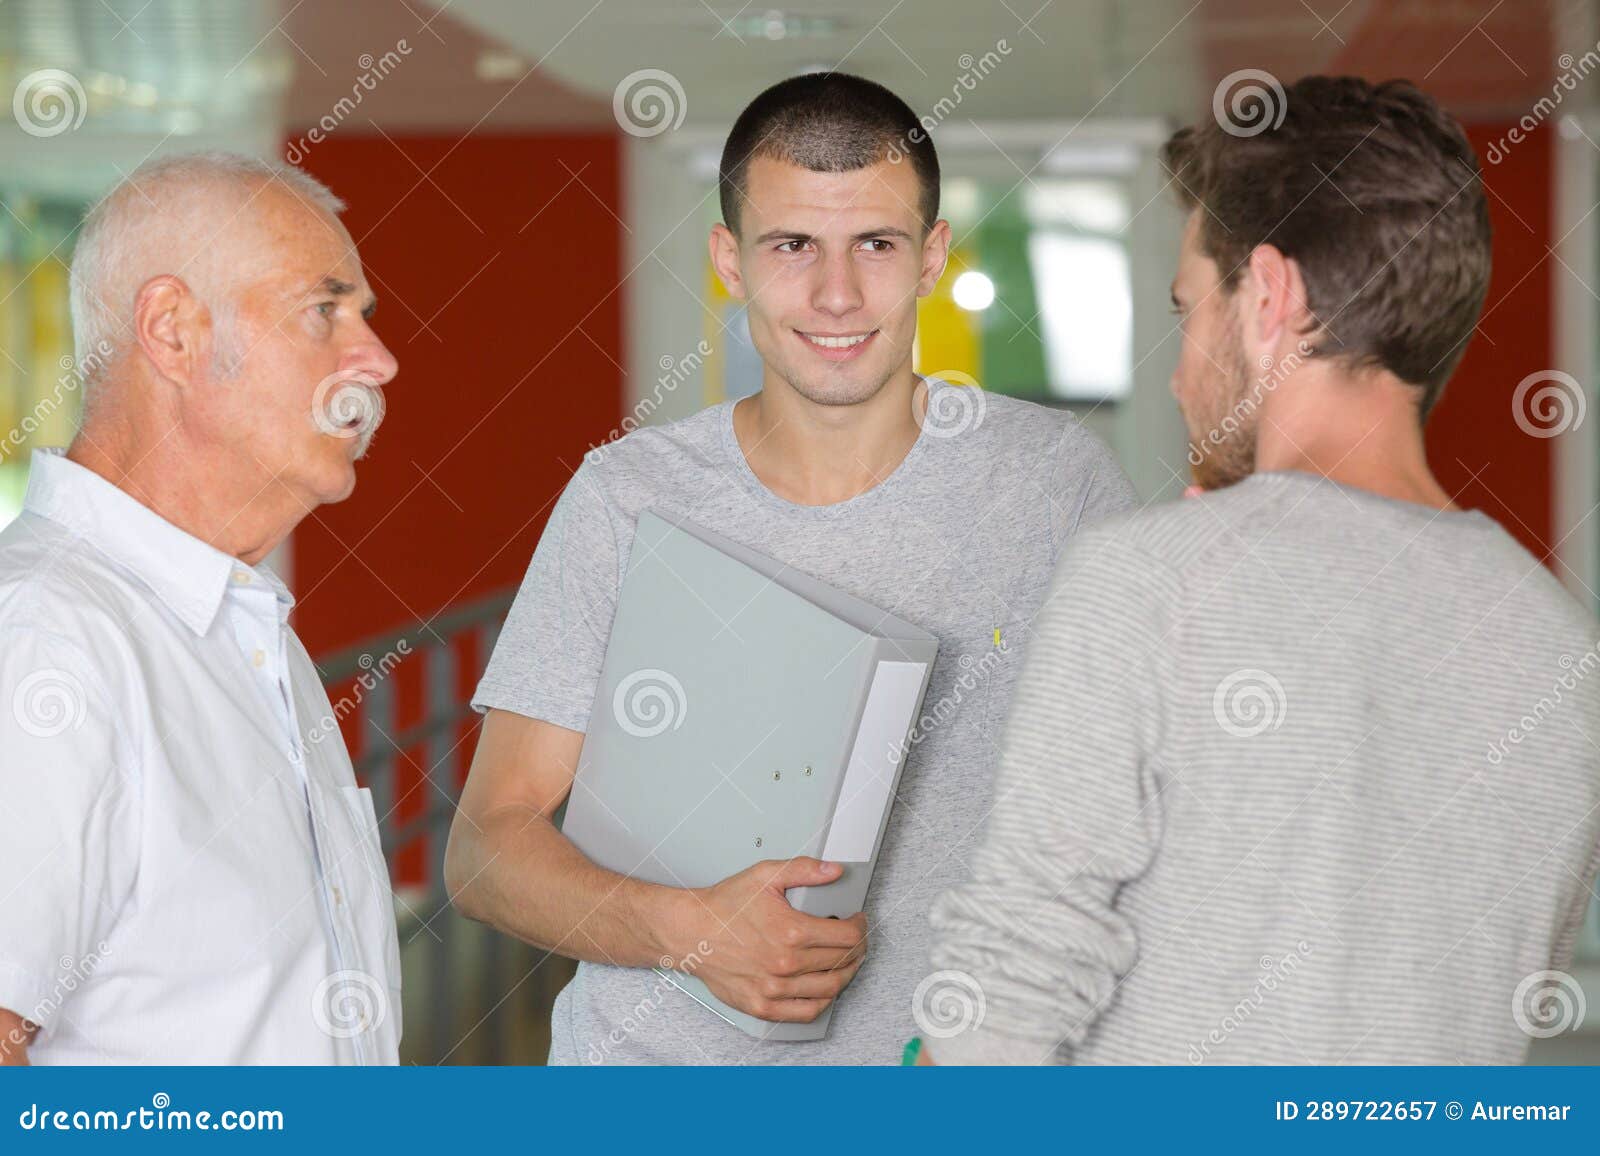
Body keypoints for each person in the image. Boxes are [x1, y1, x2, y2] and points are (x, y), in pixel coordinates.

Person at [446, 71, 1137, 1064]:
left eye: (877, 244)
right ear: (730, 261)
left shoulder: (1053, 484)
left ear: (931, 256)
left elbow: (1132, 823)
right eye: (792, 246)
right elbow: (485, 851)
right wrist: (692, 933)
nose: (836, 295)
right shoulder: (629, 495)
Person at [921, 75, 1600, 1065]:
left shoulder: (1148, 581)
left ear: (1270, 296)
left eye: (1189, 309)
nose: (1177, 374)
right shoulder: (1562, 649)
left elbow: (1001, 1008)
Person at [0, 151, 402, 1064]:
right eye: (324, 310)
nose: (377, 361)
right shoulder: (44, 639)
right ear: (173, 332)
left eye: (364, 317)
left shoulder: (243, 631)